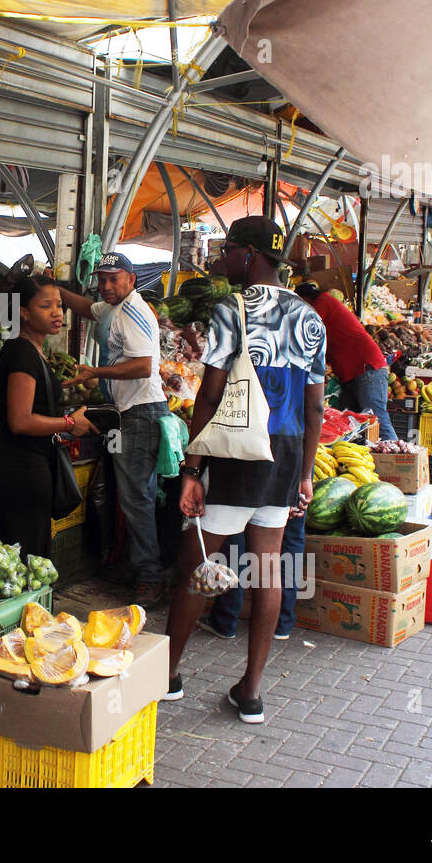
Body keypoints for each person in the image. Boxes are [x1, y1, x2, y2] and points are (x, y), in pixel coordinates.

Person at [160, 216, 326, 723]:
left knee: (196, 564)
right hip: (287, 452)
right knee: (268, 568)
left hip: (238, 451)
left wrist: (191, 468)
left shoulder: (232, 310)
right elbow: (316, 405)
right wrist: (305, 473)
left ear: (249, 255)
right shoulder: (310, 317)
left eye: (229, 249)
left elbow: (210, 395)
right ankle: (251, 692)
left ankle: (167, 675)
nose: (222, 259)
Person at [56, 253, 171, 608]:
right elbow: (87, 308)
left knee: (137, 498)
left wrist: (95, 373)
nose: (106, 285)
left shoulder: (135, 311)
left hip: (140, 415)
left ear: (131, 280)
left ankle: (150, 577)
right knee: (128, 493)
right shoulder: (111, 308)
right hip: (122, 416)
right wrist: (55, 290)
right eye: (102, 279)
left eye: (113, 279)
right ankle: (134, 564)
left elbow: (143, 366)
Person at [0, 276, 93, 560]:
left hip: (17, 460)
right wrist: (70, 424)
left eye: (59, 305)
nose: (57, 313)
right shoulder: (23, 353)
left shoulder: (31, 350)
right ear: (24, 312)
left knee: (17, 550)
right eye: (46, 306)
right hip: (22, 466)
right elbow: (20, 420)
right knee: (27, 555)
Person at [294, 281, 397, 441]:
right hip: (354, 372)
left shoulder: (323, 302)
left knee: (377, 420)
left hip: (366, 368)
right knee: (349, 424)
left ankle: (397, 453)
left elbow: (305, 331)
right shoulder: (326, 303)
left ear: (305, 299)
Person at [195, 511, 307, 644]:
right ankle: (280, 623)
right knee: (290, 537)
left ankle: (226, 619)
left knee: (234, 530)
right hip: (285, 498)